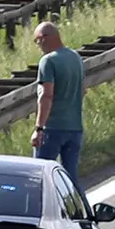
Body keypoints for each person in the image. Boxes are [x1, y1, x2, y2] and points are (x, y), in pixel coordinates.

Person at [31, 21, 86, 188]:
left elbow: (47, 95)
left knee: (40, 177)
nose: (38, 46)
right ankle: (81, 205)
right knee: (71, 178)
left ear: (44, 38)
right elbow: (83, 90)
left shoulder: (48, 61)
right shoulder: (75, 57)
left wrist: (39, 128)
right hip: (75, 127)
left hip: (52, 128)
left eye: (37, 41)